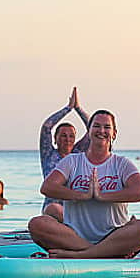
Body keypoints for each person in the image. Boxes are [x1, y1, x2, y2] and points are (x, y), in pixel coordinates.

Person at [28, 110, 140, 258]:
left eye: (107, 127)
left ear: (114, 133)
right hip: (74, 237)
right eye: (96, 126)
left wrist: (102, 196)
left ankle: (81, 255)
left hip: (114, 236)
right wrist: (82, 195)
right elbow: (47, 188)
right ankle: (99, 253)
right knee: (37, 224)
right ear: (88, 132)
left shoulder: (122, 164)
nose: (101, 131)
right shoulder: (72, 161)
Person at [39, 86, 92, 219]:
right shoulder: (49, 155)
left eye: (71, 136)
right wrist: (68, 108)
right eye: (63, 135)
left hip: (76, 210)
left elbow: (92, 128)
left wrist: (78, 109)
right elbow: (46, 127)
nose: (67, 139)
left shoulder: (78, 153)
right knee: (55, 209)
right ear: (55, 138)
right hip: (53, 210)